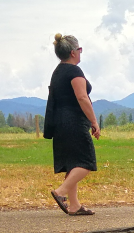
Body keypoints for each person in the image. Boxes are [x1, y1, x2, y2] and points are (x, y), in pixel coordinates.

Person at [45, 33, 99, 216]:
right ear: (74, 52)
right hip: (73, 123)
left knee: (72, 164)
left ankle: (74, 206)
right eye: (80, 50)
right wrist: (93, 121)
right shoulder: (74, 71)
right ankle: (60, 193)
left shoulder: (58, 71)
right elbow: (82, 97)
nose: (80, 53)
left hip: (59, 123)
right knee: (86, 161)